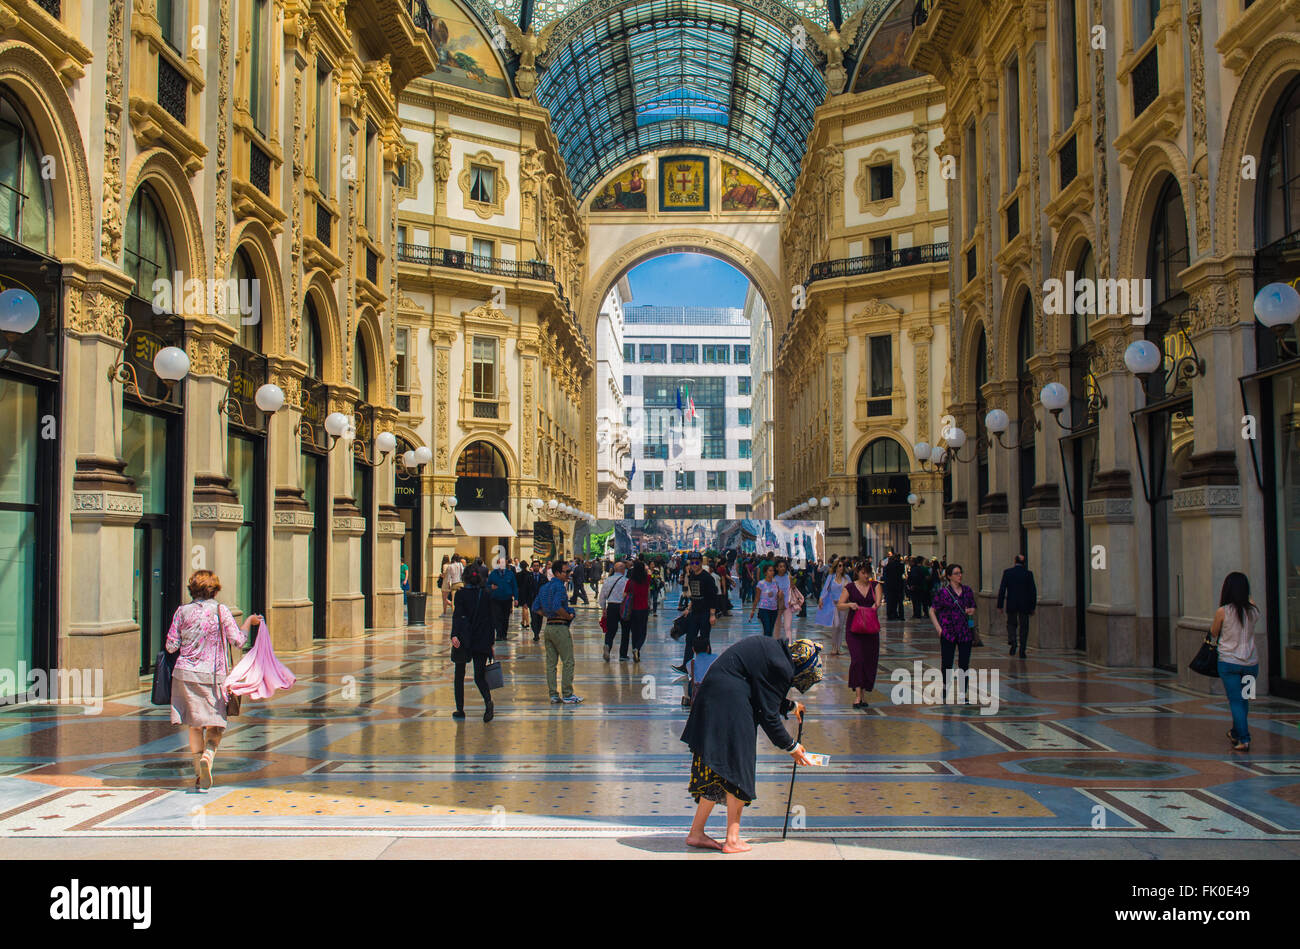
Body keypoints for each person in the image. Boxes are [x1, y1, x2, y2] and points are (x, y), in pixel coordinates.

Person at [680, 637, 821, 853]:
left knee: (717, 769)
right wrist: (792, 747)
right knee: (739, 768)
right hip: (729, 703)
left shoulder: (775, 651)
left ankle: (696, 833)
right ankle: (732, 839)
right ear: (801, 667)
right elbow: (768, 715)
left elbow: (761, 692)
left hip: (715, 697)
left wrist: (792, 707)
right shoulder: (782, 667)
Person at [164, 570, 261, 791]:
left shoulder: (182, 612)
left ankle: (199, 772)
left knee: (195, 723)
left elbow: (171, 645)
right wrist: (248, 622)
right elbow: (238, 641)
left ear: (192, 589)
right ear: (215, 590)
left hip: (184, 674)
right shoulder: (221, 611)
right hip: (213, 676)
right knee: (216, 722)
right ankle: (208, 755)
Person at [1214, 572, 1260, 752]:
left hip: (1229, 663)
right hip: (1252, 664)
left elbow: (1214, 632)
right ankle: (1235, 731)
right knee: (1245, 700)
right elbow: (1250, 602)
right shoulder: (1254, 610)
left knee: (1235, 700)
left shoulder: (1223, 611)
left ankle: (1244, 738)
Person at [450, 565, 496, 722]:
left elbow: (457, 616)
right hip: (482, 638)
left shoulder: (461, 595)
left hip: (463, 638)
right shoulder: (486, 594)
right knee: (479, 675)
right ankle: (488, 701)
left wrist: (454, 635)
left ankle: (460, 709)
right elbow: (491, 620)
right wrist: (491, 642)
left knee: (459, 675)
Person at [533, 561, 582, 704]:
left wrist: (548, 615)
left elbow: (535, 607)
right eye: (566, 572)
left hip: (548, 628)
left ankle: (553, 695)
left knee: (551, 663)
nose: (569, 574)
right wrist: (567, 616)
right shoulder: (560, 587)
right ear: (557, 573)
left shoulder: (544, 587)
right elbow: (556, 606)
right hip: (560, 627)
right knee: (568, 661)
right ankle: (567, 694)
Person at [929, 563, 977, 700]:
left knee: (964, 663)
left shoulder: (967, 591)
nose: (959, 575)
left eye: (960, 572)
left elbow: (973, 607)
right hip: (948, 632)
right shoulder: (943, 593)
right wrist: (938, 628)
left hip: (964, 631)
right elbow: (932, 610)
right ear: (949, 576)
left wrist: (971, 611)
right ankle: (945, 687)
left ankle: (963, 692)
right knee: (947, 662)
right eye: (956, 573)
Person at [838, 561, 882, 708]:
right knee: (857, 659)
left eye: (868, 573)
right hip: (854, 629)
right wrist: (850, 605)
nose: (866, 576)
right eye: (863, 573)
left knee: (869, 660)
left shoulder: (875, 586)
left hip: (870, 629)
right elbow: (839, 604)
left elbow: (878, 603)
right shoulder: (849, 587)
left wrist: (875, 605)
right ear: (858, 573)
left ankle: (862, 693)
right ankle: (857, 695)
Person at [672, 553, 718, 674]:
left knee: (704, 640)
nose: (694, 565)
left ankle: (708, 666)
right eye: (692, 562)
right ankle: (686, 665)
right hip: (695, 612)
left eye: (696, 562)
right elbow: (693, 594)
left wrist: (712, 614)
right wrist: (689, 607)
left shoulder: (707, 578)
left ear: (701, 563)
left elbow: (713, 597)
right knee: (690, 639)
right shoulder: (692, 576)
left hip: (705, 613)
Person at [996, 554, 1038, 657]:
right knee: (1024, 627)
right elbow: (1033, 591)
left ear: (1015, 561)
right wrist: (1032, 607)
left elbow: (1002, 589)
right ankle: (1022, 650)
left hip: (1012, 603)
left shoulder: (1008, 573)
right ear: (1024, 563)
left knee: (1011, 624)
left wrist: (1000, 605)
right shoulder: (1028, 574)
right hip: (1025, 605)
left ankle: (1013, 641)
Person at [597, 560, 630, 661]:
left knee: (611, 630)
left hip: (611, 606)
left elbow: (602, 595)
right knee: (625, 630)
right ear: (623, 570)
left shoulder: (608, 580)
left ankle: (607, 645)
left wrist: (603, 608)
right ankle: (623, 655)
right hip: (623, 607)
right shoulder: (626, 581)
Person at [815, 559, 849, 654]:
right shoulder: (831, 577)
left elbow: (851, 589)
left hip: (843, 605)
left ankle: (838, 648)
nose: (841, 568)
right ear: (835, 567)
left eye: (842, 566)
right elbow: (825, 588)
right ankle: (833, 647)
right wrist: (821, 598)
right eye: (839, 566)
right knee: (836, 625)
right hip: (833, 604)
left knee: (841, 627)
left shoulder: (846, 578)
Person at [624, 561, 652, 663]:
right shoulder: (647, 579)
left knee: (634, 632)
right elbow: (649, 572)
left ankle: (636, 652)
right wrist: (646, 568)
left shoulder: (630, 582)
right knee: (643, 632)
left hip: (633, 610)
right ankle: (637, 648)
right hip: (643, 609)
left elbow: (625, 594)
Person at [486, 556, 517, 642]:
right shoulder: (493, 574)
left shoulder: (510, 574)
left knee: (505, 618)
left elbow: (514, 586)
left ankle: (504, 634)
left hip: (507, 599)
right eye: (500, 563)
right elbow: (487, 585)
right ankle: (499, 634)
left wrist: (516, 598)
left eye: (503, 563)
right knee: (497, 617)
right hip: (496, 599)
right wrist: (490, 586)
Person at [749, 562, 784, 638]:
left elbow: (778, 596)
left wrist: (779, 596)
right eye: (770, 571)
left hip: (774, 609)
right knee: (767, 629)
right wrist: (753, 610)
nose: (772, 572)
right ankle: (766, 646)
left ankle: (768, 645)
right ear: (765, 572)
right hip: (764, 609)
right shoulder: (761, 584)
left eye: (773, 571)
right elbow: (757, 598)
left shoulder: (775, 583)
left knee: (770, 630)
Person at [883, 553, 906, 621]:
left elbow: (885, 575)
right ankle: (901, 616)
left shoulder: (888, 566)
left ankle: (890, 615)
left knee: (890, 601)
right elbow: (902, 573)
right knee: (900, 602)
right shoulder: (901, 565)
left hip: (890, 586)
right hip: (899, 585)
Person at [516, 559, 535, 630]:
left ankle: (526, 622)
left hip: (521, 592)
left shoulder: (518, 575)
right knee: (525, 607)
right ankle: (524, 621)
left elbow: (517, 585)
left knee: (524, 607)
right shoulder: (530, 574)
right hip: (528, 592)